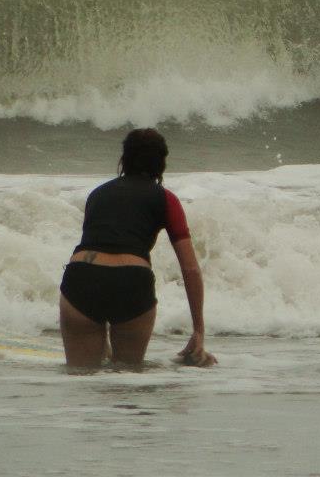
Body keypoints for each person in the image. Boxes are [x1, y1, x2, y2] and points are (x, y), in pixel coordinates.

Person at [59, 128, 215, 371]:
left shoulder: (97, 195)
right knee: (127, 380)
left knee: (81, 380)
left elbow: (98, 244)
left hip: (81, 278)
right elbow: (190, 267)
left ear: (124, 159)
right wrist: (198, 330)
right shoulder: (166, 199)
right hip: (131, 283)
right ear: (161, 165)